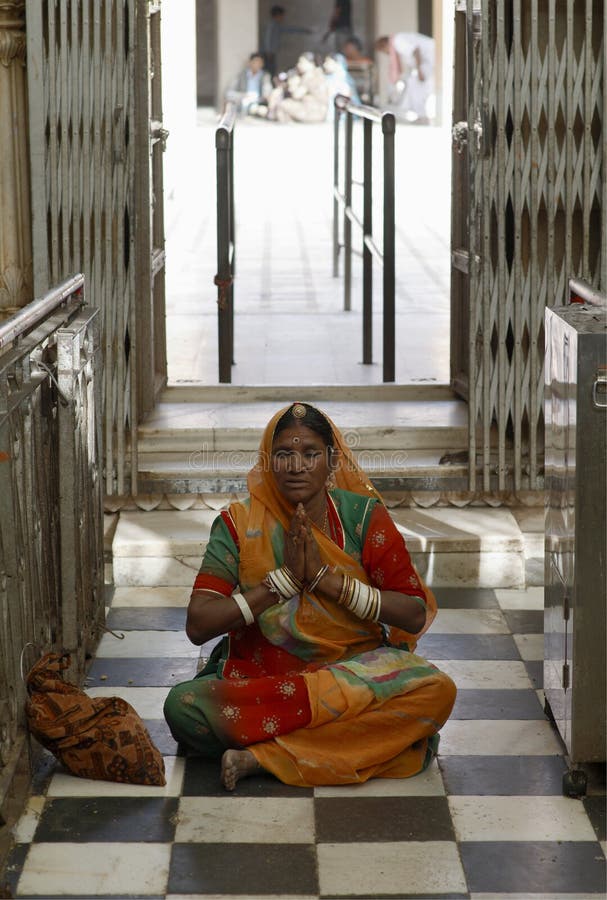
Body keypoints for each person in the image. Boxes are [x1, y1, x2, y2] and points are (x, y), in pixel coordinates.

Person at [164, 402, 457, 790]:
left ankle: (265, 756)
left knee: (437, 691)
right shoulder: (238, 524)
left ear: (332, 460)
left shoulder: (363, 517)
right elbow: (199, 624)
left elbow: (414, 614)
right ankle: (351, 743)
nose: (297, 466)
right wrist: (282, 583)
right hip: (267, 679)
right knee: (183, 707)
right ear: (269, 462)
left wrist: (325, 580)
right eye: (284, 454)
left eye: (310, 453)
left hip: (356, 674)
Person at [375, 32, 436, 123]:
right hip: (427, 62)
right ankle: (420, 115)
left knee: (416, 85)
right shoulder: (397, 42)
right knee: (413, 83)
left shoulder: (398, 41)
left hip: (431, 58)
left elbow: (415, 50)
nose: (387, 54)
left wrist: (419, 71)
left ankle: (422, 116)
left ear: (384, 45)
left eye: (384, 51)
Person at [265, 53, 329, 123]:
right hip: (316, 110)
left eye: (302, 62)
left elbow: (297, 95)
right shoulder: (317, 73)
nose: (299, 65)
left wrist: (292, 86)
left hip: (313, 111)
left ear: (311, 63)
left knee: (283, 105)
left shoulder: (310, 76)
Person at [261, 5, 313, 78]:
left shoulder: (277, 25)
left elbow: (289, 29)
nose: (283, 18)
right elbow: (268, 38)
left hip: (271, 54)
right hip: (268, 54)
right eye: (282, 16)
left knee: (272, 71)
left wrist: (304, 31)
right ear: (277, 15)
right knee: (269, 72)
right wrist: (268, 51)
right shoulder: (271, 25)